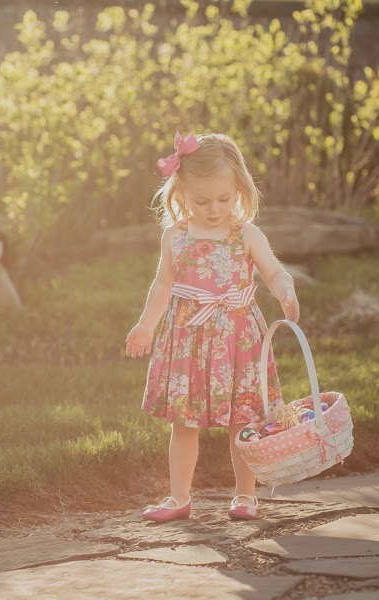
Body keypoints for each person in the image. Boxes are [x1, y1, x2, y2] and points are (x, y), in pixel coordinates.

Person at [125, 131, 300, 522]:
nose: (215, 209)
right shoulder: (176, 237)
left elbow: (273, 272)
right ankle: (179, 497)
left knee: (242, 419)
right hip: (188, 338)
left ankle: (245, 494)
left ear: (239, 189)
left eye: (225, 198)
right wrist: (145, 325)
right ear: (181, 193)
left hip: (238, 339)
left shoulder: (246, 235)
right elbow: (163, 284)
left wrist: (285, 292)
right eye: (203, 201)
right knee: (184, 422)